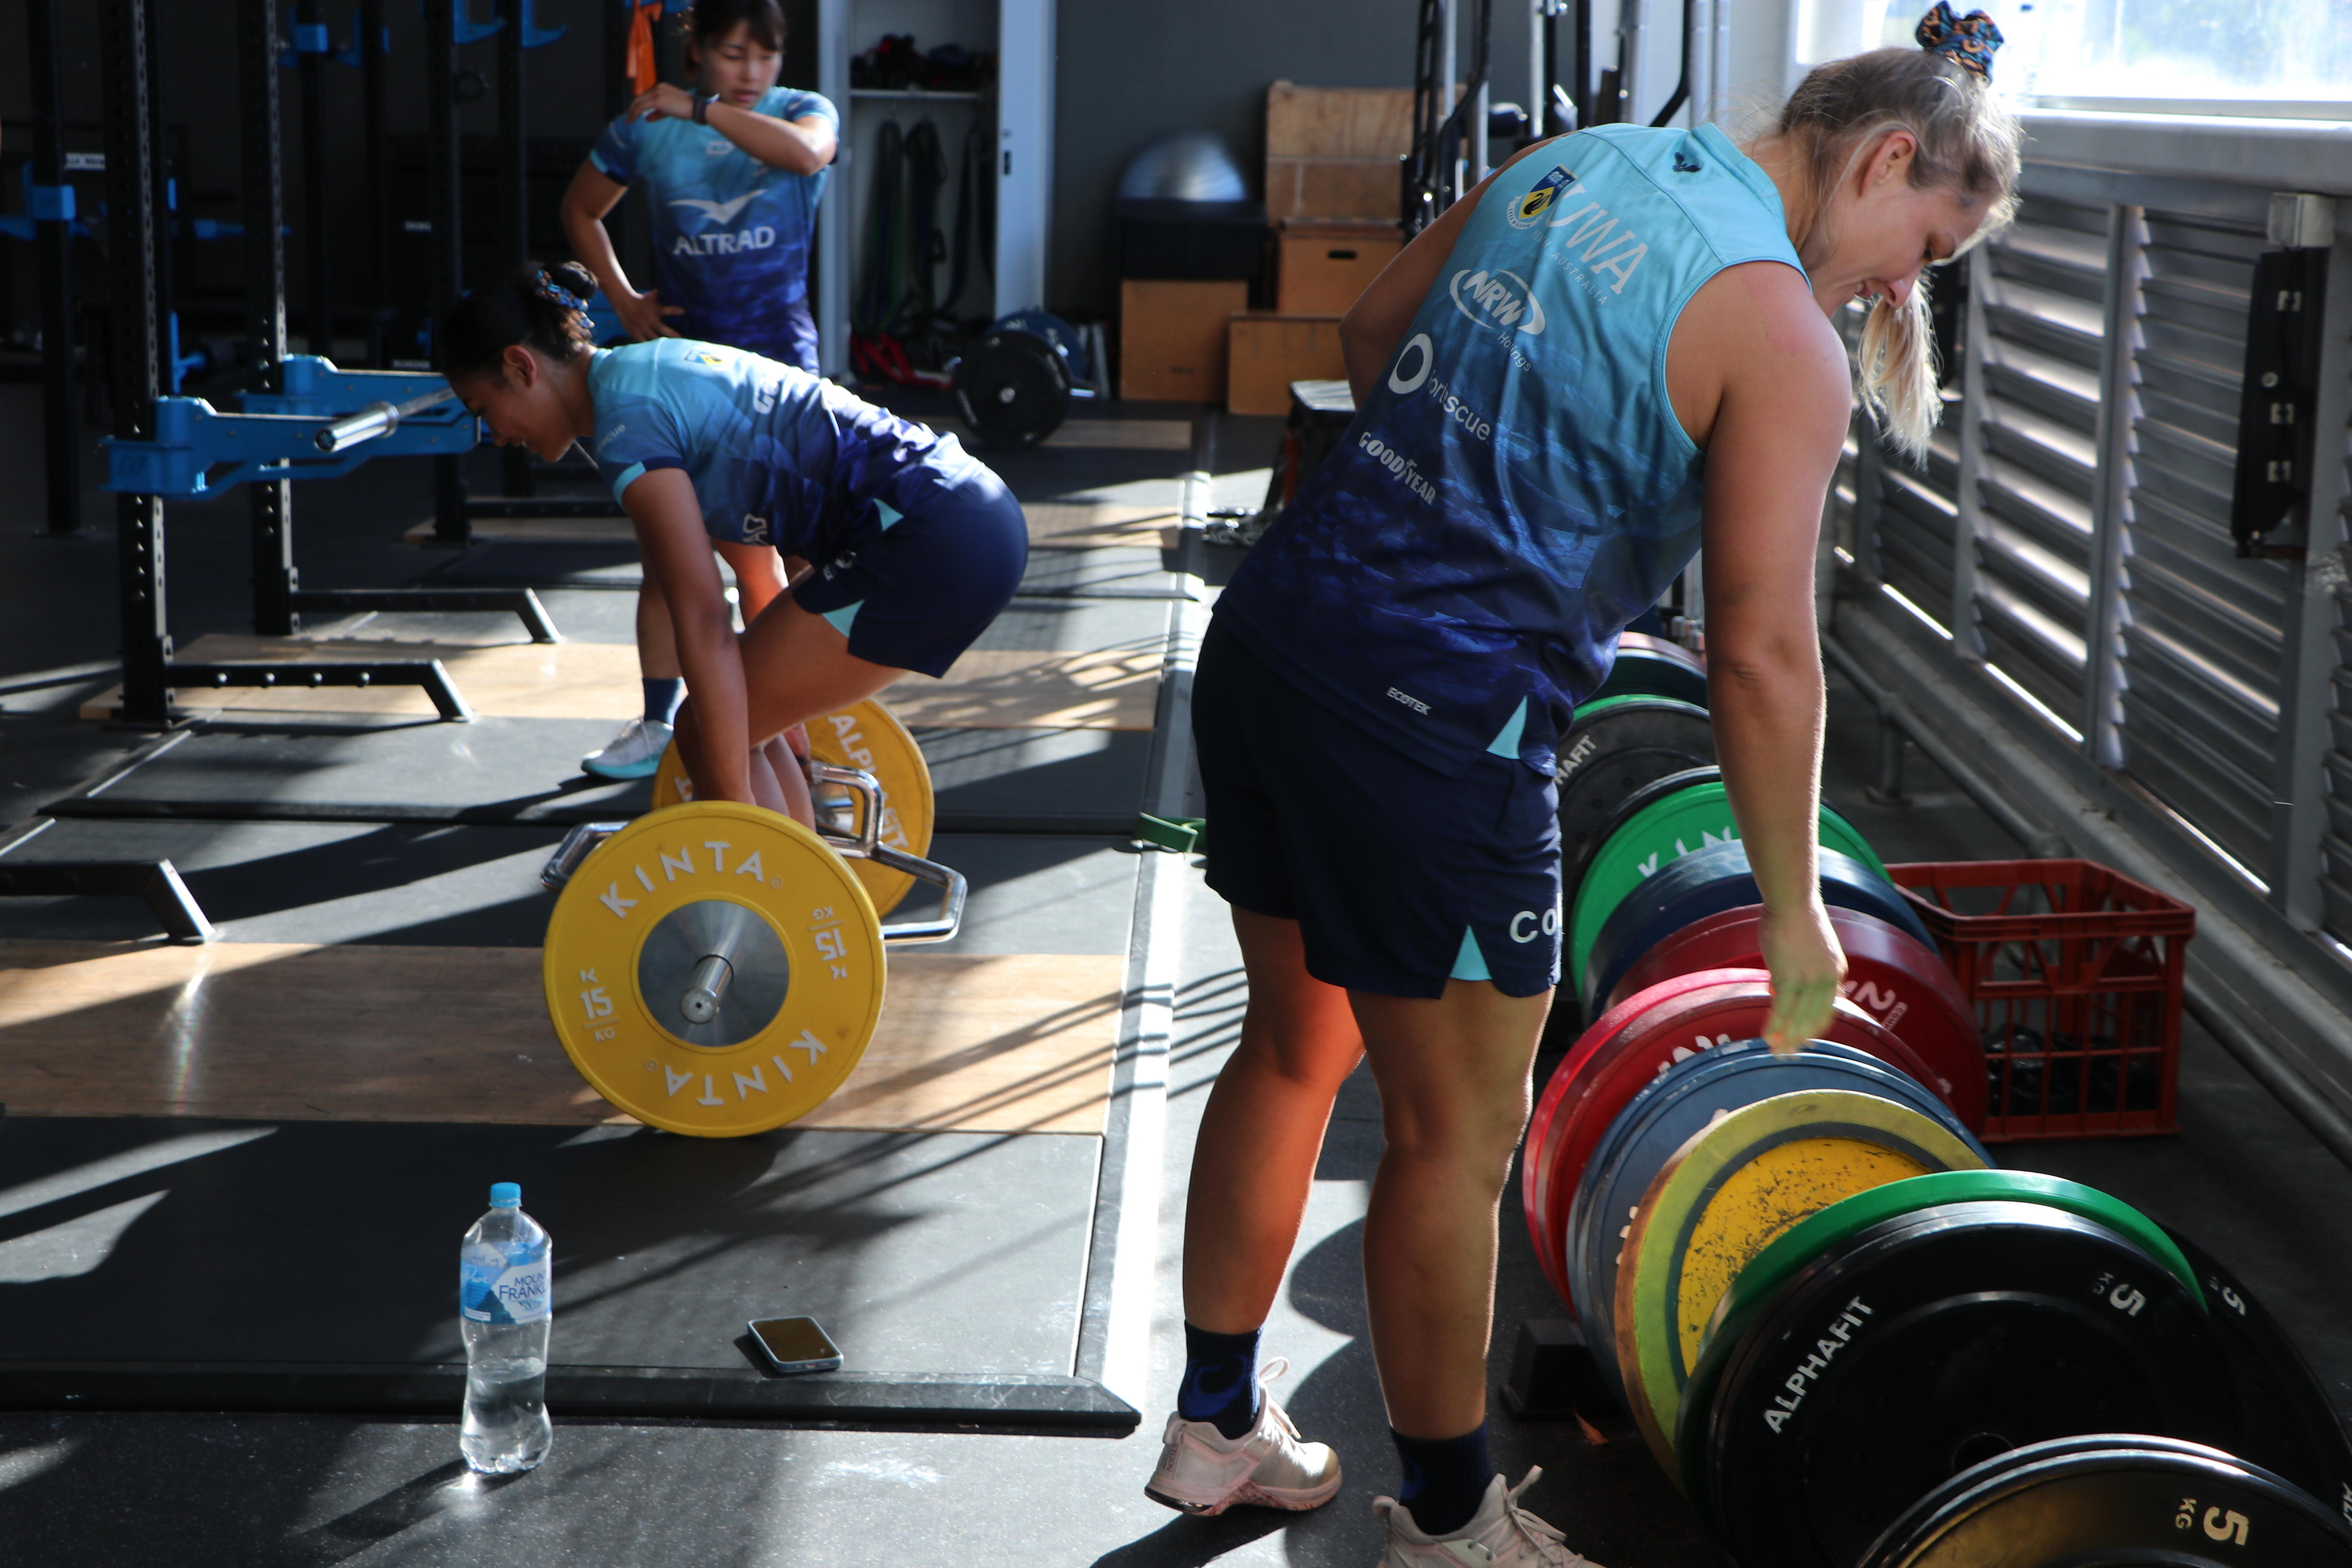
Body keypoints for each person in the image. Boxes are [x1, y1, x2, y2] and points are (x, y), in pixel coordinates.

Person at [1148, 15, 2020, 1566]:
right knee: (1456, 1142)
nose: (1904, 291)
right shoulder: (1780, 335)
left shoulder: (1581, 159)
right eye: (1922, 246)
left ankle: (1217, 1427)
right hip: (1433, 724)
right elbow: (1759, 656)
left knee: (1295, 1047)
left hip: (1280, 635)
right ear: (1887, 159)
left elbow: (1370, 336)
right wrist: (1802, 915)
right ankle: (1446, 1522)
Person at [439, 262, 1026, 821]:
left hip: (931, 534)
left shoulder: (628, 429)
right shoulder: (650, 371)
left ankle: (773, 897)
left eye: (482, 409)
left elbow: (700, 619)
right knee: (740, 718)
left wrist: (730, 819)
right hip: (970, 512)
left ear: (521, 368)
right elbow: (766, 576)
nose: (493, 436)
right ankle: (797, 892)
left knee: (706, 729)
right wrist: (780, 719)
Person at [559, 0, 840, 783]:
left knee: (787, 558)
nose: (751, 74)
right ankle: (659, 721)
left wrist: (703, 107)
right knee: (672, 560)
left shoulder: (801, 112)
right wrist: (621, 300)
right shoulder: (650, 128)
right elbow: (580, 209)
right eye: (732, 56)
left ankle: (790, 719)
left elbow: (809, 156)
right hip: (682, 381)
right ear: (699, 51)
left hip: (781, 377)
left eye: (764, 58)